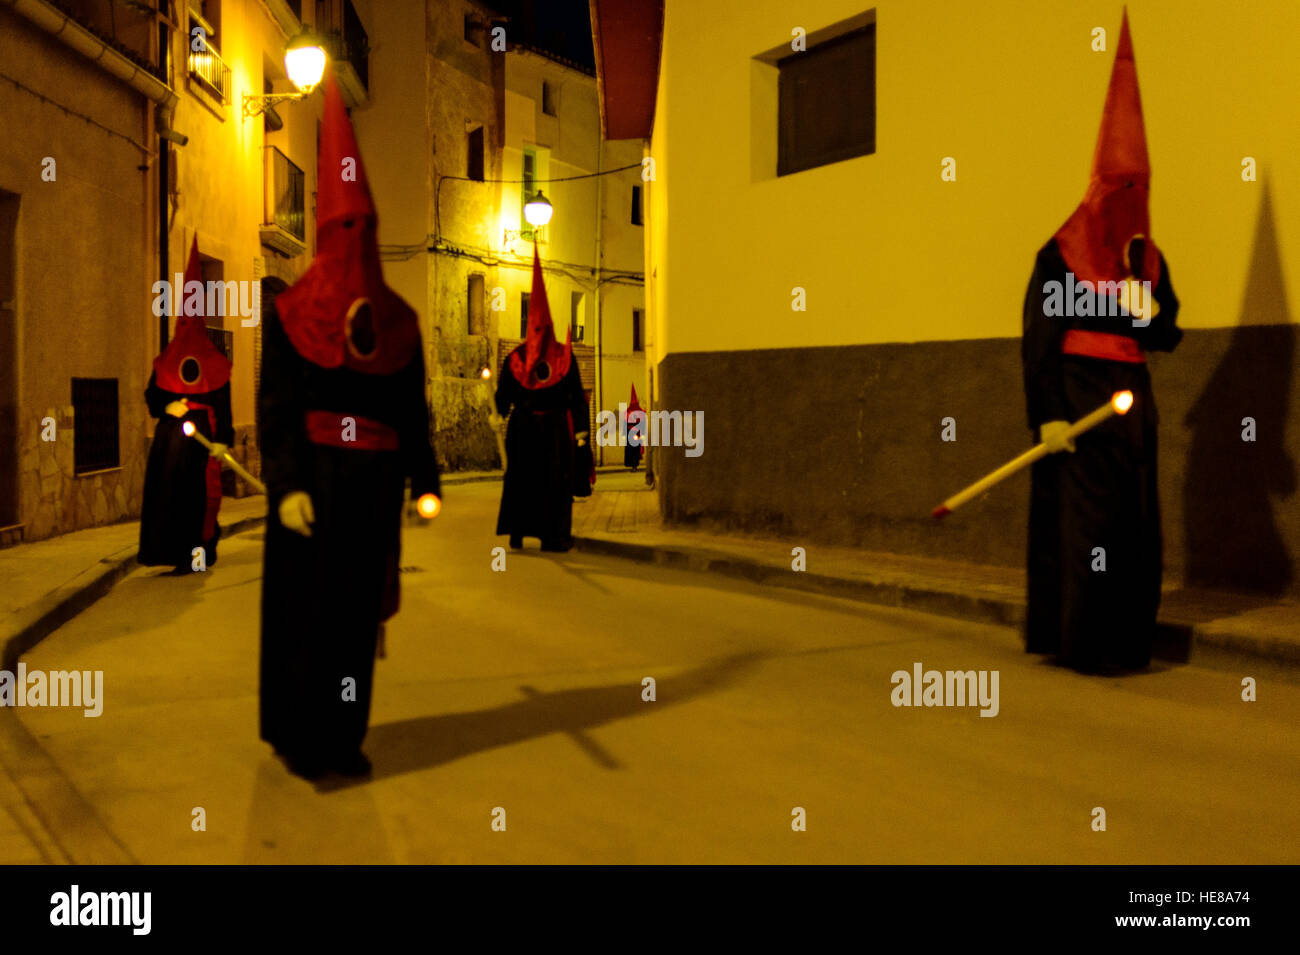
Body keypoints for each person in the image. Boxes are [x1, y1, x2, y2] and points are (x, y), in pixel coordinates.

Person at [258, 74, 440, 780]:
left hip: (370, 493)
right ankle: (299, 735)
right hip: (312, 488)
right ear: (328, 231)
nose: (355, 237)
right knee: (305, 617)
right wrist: (286, 484)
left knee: (354, 623)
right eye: (344, 227)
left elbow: (409, 411)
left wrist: (423, 482)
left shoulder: (400, 322)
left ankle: (343, 737)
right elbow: (276, 407)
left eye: (364, 227)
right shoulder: (290, 313)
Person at [1022, 12, 1182, 673]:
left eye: (1138, 189)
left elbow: (1167, 333)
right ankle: (1084, 643)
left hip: (1131, 402)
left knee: (1131, 523)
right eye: (1119, 188)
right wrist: (1049, 416)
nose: (1128, 199)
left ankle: (1126, 639)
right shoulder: (1060, 254)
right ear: (1096, 189)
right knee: (1085, 524)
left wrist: (1148, 313)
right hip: (1078, 395)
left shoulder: (1147, 260)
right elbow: (1038, 337)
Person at [138, 237, 233, 572]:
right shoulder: (166, 360)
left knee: (198, 501)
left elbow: (223, 405)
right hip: (170, 444)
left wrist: (222, 443)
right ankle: (176, 554)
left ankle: (198, 555)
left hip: (200, 443)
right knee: (169, 499)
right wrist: (167, 407)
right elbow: (153, 395)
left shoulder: (214, 361)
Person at [494, 249, 589, 551]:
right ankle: (537, 533)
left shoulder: (539, 358)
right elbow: (505, 393)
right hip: (539, 430)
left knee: (540, 481)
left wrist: (581, 432)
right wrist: (497, 411)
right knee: (534, 480)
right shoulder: (533, 358)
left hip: (538, 430)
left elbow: (575, 395)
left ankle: (535, 533)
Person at [624, 384, 645, 471]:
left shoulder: (632, 411)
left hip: (634, 434)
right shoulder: (630, 411)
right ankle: (633, 465)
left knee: (634, 450)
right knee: (633, 450)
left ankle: (634, 466)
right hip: (632, 434)